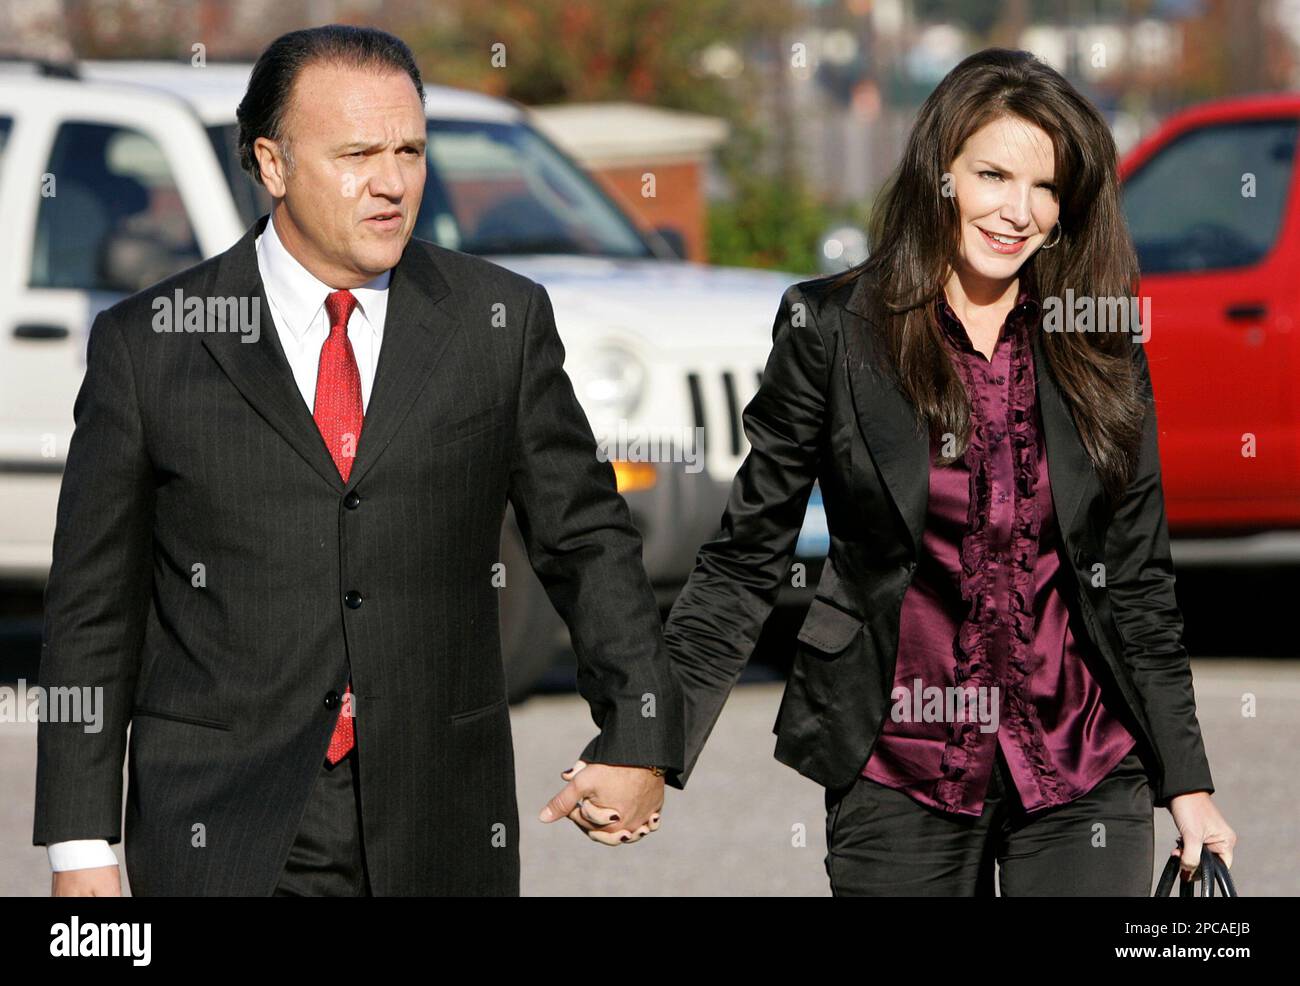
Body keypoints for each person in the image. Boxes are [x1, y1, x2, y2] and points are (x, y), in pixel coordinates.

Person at [34, 24, 682, 897]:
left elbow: (587, 537)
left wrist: (637, 730)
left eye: (410, 150)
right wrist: (81, 849)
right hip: (219, 832)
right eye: (356, 154)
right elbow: (90, 613)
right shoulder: (150, 347)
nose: (392, 182)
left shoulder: (498, 323)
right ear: (271, 164)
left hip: (439, 821)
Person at [662, 48, 1235, 896]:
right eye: (993, 175)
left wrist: (1187, 782)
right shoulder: (832, 330)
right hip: (897, 766)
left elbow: (1140, 579)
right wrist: (647, 738)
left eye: (1046, 188)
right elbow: (747, 556)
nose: (1018, 211)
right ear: (941, 175)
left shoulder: (1098, 340)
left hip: (1083, 765)